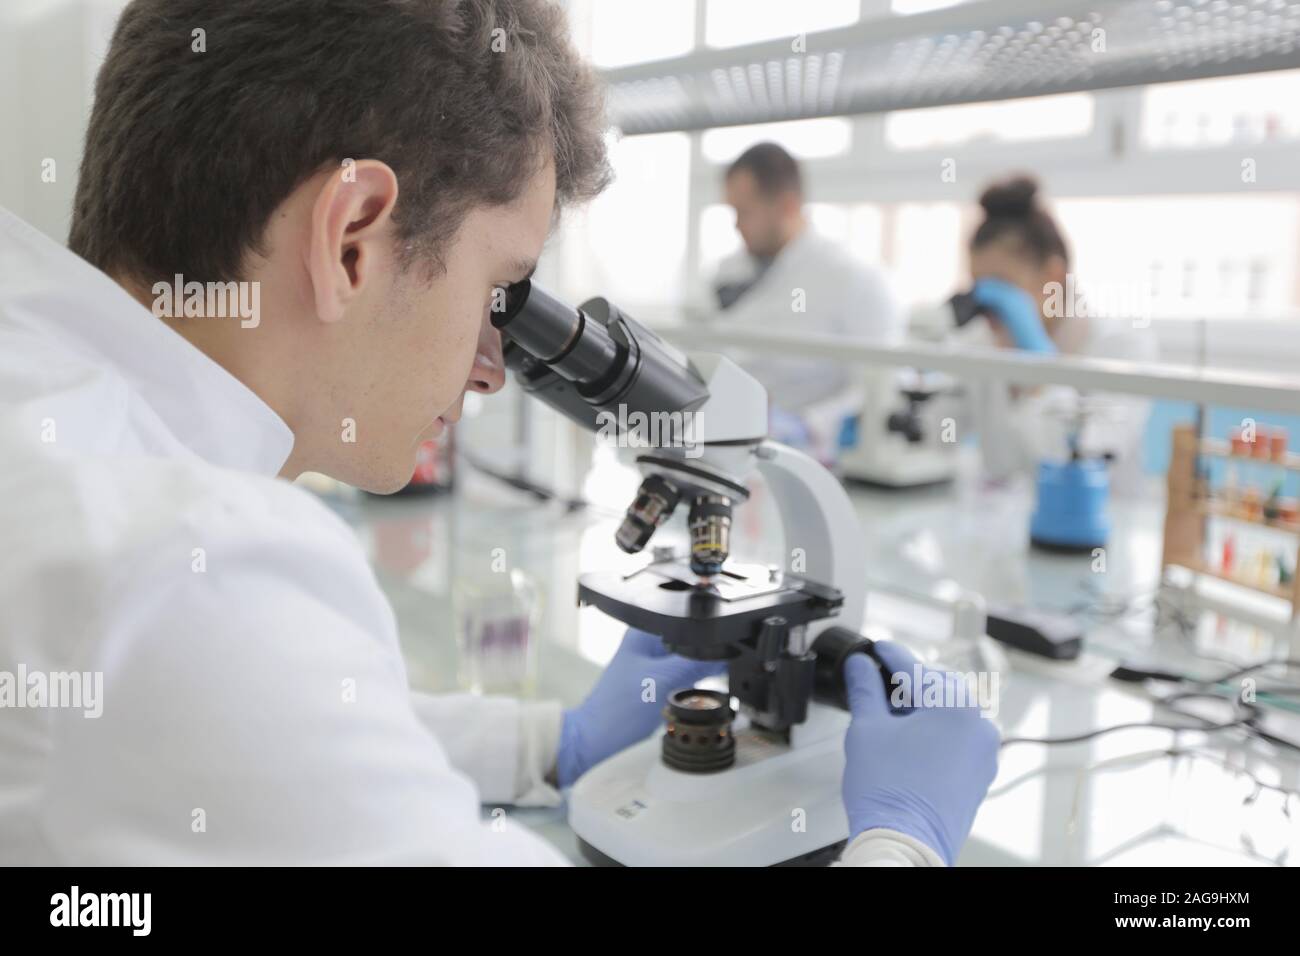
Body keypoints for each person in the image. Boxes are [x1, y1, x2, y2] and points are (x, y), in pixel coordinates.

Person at [0, 0, 997, 866]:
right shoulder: (186, 571)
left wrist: (547, 745)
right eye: (498, 291)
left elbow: (262, 732)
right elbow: (222, 671)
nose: (491, 366)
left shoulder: (44, 387)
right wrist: (901, 837)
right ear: (351, 238)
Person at [913, 176, 1157, 494]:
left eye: (1001, 284)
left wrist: (1040, 374)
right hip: (1004, 530)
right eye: (979, 285)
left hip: (1097, 534)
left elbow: (1080, 459)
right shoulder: (982, 342)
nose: (986, 304)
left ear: (1053, 276)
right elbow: (934, 437)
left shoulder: (1122, 347)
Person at [697, 142, 904, 460]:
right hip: (726, 446)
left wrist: (807, 425)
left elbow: (876, 388)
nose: (736, 225)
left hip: (811, 456)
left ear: (787, 206)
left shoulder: (855, 280)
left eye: (744, 212)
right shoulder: (728, 270)